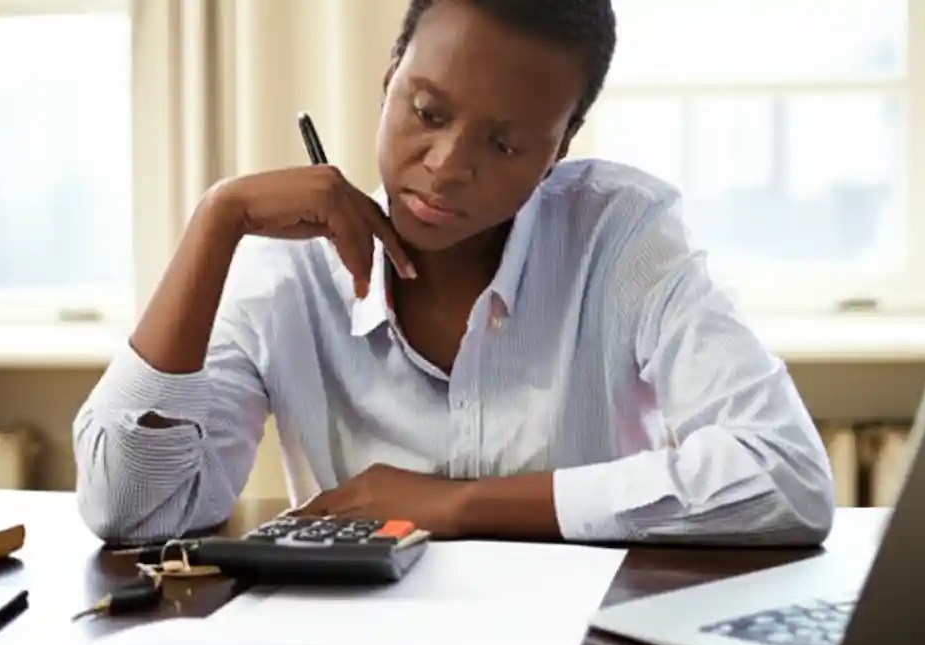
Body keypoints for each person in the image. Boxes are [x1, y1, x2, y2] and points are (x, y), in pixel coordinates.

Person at [73, 0, 835, 545]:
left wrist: (458, 505)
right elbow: (132, 511)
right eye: (428, 113)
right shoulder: (287, 270)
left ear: (561, 145)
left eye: (505, 145)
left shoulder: (620, 234)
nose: (446, 166)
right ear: (389, 79)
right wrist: (217, 221)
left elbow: (785, 474)